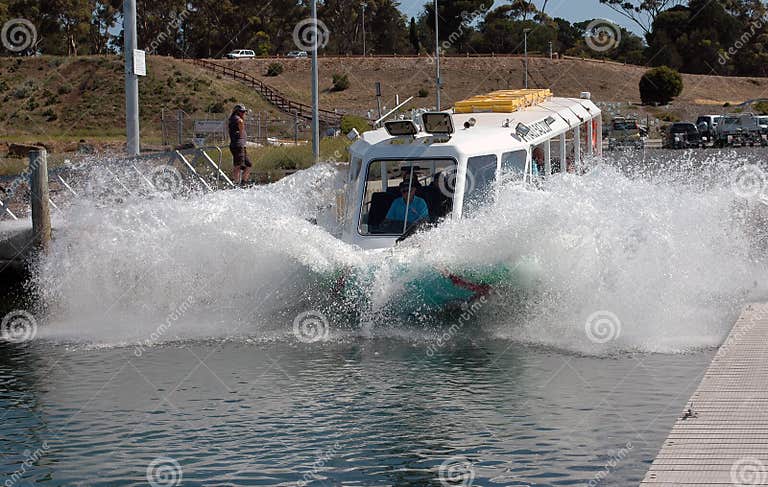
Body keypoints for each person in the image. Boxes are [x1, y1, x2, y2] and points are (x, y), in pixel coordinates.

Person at [228, 104, 251, 186]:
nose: (243, 113)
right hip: (238, 145)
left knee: (248, 165)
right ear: (237, 112)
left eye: (244, 111)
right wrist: (241, 132)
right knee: (238, 165)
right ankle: (236, 184)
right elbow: (240, 122)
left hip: (241, 145)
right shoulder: (235, 117)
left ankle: (243, 183)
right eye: (242, 111)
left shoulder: (236, 118)